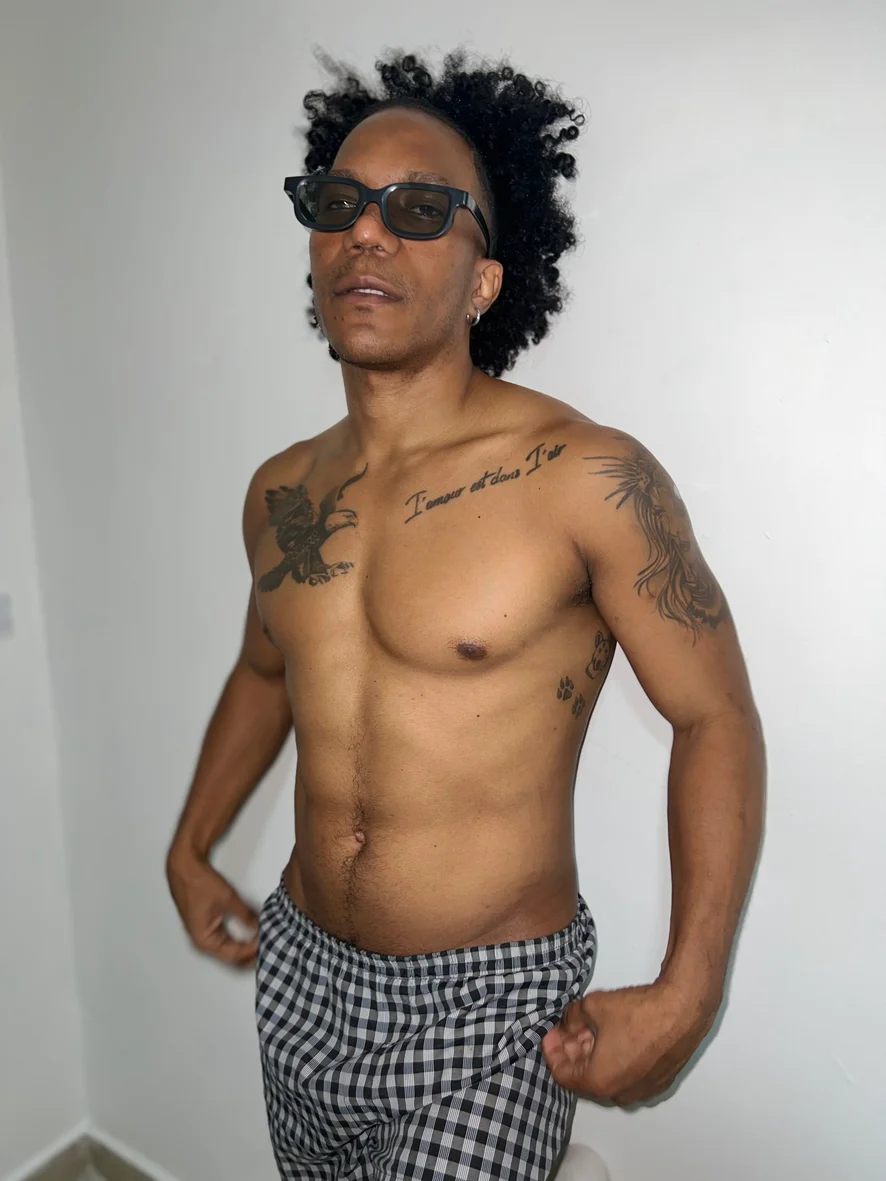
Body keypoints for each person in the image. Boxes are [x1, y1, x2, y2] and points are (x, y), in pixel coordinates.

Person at [166, 50, 765, 1181]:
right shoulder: (281, 491)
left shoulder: (586, 477)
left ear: (485, 280)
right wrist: (191, 844)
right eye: (339, 203)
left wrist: (689, 990)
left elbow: (714, 717)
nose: (367, 231)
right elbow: (263, 672)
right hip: (300, 973)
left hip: (489, 1007)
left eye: (418, 209)